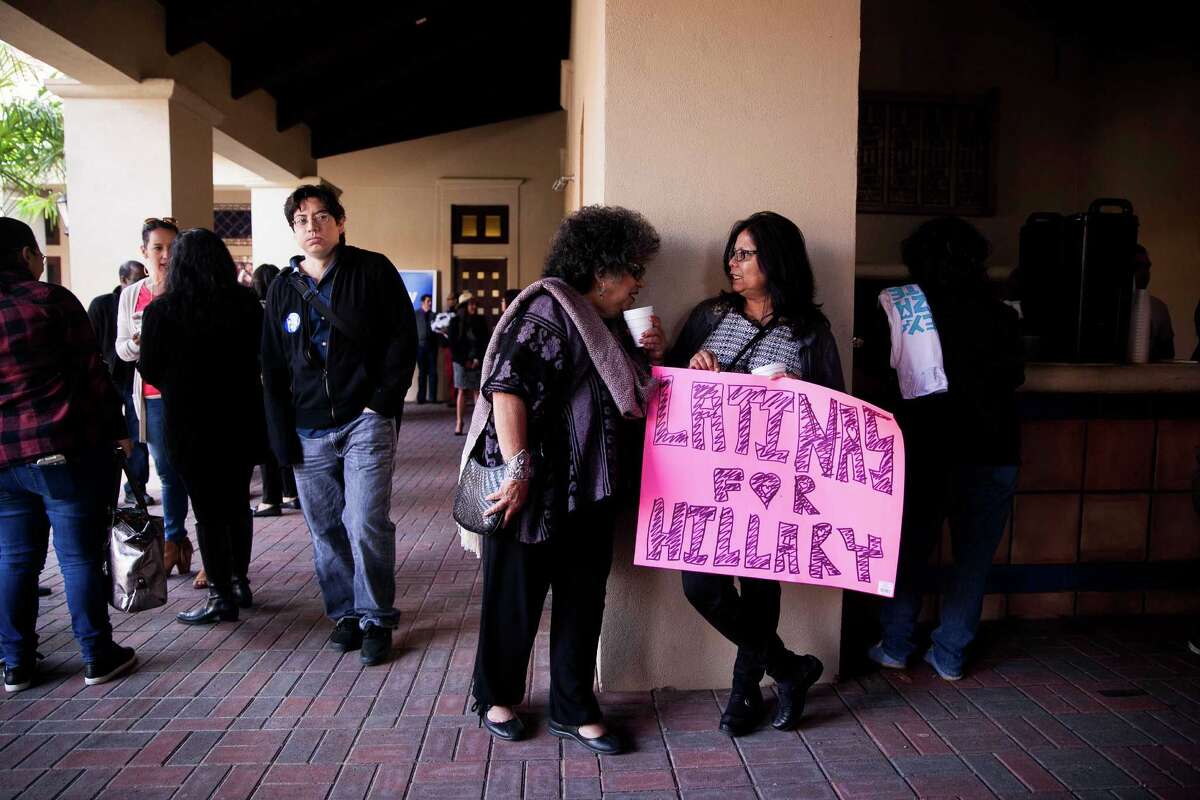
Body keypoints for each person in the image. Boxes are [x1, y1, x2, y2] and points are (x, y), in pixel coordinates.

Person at [464, 205, 664, 755]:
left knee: (582, 597)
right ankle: (497, 696)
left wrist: (651, 356)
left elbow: (628, 396)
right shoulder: (551, 310)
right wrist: (517, 470)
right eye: (632, 270)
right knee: (515, 595)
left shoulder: (604, 326)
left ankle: (573, 709)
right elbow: (507, 388)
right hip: (532, 484)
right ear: (600, 270)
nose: (637, 284)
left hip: (590, 486)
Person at [667, 211, 842, 737]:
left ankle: (745, 689)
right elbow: (667, 391)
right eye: (732, 252)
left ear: (777, 259)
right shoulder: (709, 316)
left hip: (776, 479)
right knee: (702, 586)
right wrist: (691, 367)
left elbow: (835, 406)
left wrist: (796, 388)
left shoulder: (809, 330)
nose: (733, 262)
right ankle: (790, 669)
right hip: (706, 478)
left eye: (745, 253)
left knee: (762, 586)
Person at [261, 184, 417, 666]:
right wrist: (279, 436)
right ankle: (345, 613)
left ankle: (375, 617)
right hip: (307, 428)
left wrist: (380, 402)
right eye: (302, 219)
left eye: (322, 216)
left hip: (364, 420)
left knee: (365, 519)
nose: (313, 226)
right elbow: (271, 365)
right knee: (324, 527)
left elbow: (402, 338)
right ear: (294, 228)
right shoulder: (282, 288)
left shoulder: (372, 270)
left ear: (341, 222)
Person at [865, 217, 1023, 681]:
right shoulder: (1003, 315)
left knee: (908, 550)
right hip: (993, 450)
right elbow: (1015, 377)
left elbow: (878, 372)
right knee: (973, 559)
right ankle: (950, 654)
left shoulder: (898, 307)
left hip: (924, 449)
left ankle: (895, 645)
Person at [0, 217, 138, 692]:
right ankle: (97, 655)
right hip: (60, 450)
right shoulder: (50, 302)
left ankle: (16, 663)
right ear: (24, 256)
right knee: (78, 557)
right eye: (38, 252)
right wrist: (118, 430)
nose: (41, 261)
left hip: (3, 462)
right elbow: (92, 374)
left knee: (15, 559)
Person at [138, 229, 267, 623]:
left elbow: (149, 368)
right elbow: (262, 356)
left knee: (208, 511)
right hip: (241, 419)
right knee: (237, 504)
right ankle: (240, 581)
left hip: (190, 425)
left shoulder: (162, 310)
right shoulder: (246, 303)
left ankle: (220, 595)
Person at [116, 218, 201, 588]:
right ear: (143, 252)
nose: (166, 256)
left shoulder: (193, 290)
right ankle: (174, 540)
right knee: (166, 473)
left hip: (190, 395)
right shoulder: (132, 295)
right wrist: (141, 340)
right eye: (158, 248)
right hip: (151, 396)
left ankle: (211, 548)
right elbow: (122, 349)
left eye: (172, 248)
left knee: (197, 471)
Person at [87, 260, 155, 507]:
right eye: (135, 279)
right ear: (123, 280)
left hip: (134, 377)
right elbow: (90, 342)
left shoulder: (144, 302)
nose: (139, 284)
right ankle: (109, 489)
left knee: (138, 434)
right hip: (108, 379)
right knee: (108, 435)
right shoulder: (102, 305)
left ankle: (136, 486)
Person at [250, 264, 299, 517]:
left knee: (269, 440)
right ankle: (291, 492)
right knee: (286, 433)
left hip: (262, 383)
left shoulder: (251, 309)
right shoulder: (285, 305)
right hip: (290, 381)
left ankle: (270, 498)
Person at [450, 292, 489, 435]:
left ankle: (477, 425)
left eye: (474, 304)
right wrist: (464, 361)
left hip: (476, 361)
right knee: (461, 390)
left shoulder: (480, 320)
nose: (473, 307)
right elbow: (453, 344)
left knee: (477, 391)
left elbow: (485, 342)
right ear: (464, 306)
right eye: (470, 304)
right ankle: (459, 422)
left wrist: (477, 359)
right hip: (461, 362)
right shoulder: (455, 322)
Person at [1133, 245, 1174, 361]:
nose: (1144, 272)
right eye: (1137, 267)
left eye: (1147, 267)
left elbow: (1168, 354)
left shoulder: (1158, 308)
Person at [415, 294, 439, 404]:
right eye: (428, 301)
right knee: (422, 373)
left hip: (432, 347)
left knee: (433, 372)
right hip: (420, 347)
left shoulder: (434, 315)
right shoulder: (416, 314)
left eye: (430, 301)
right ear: (422, 302)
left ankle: (433, 397)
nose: (430, 303)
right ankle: (421, 398)